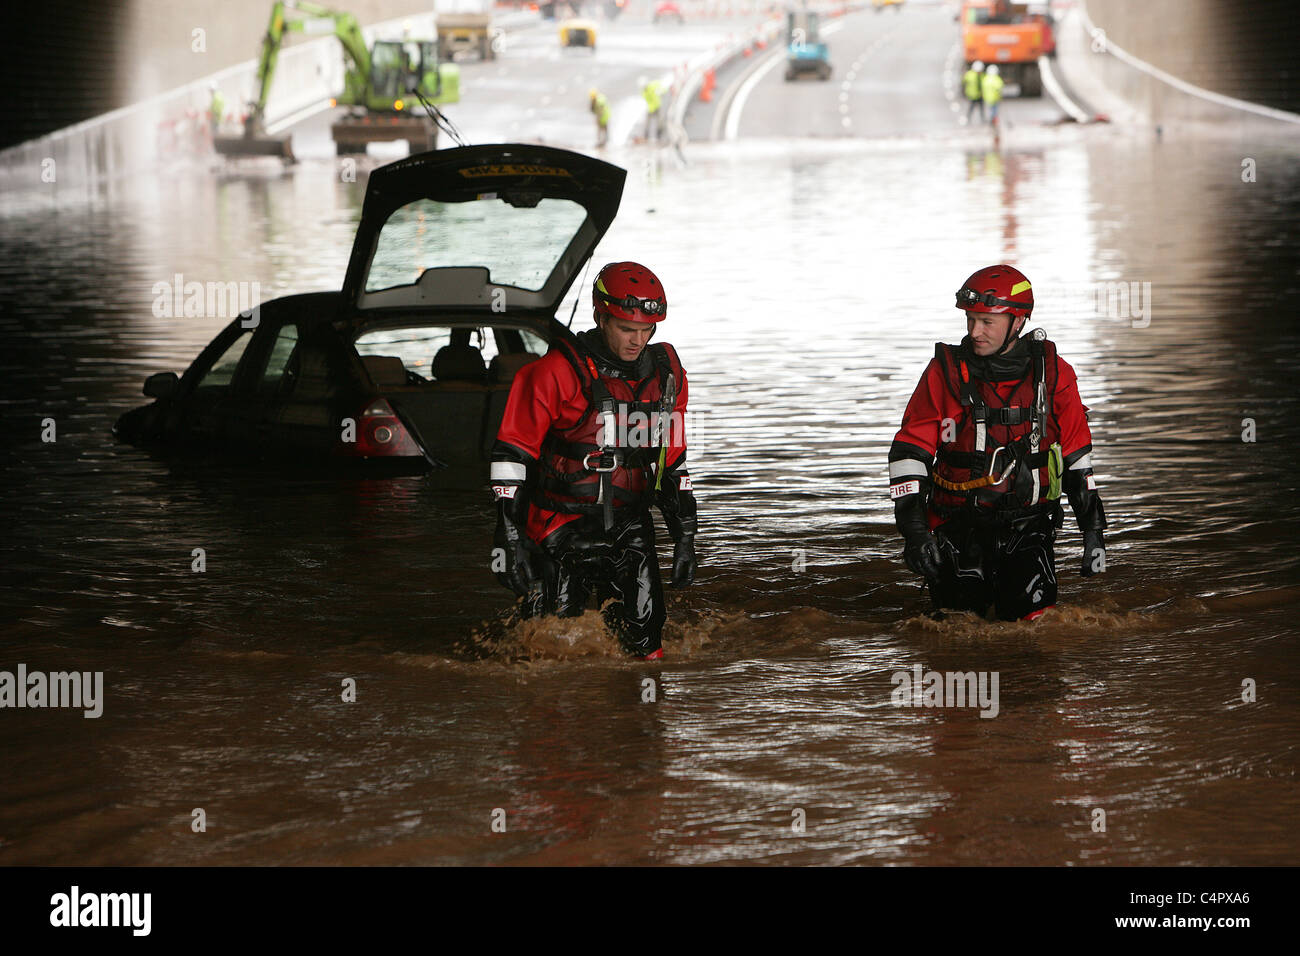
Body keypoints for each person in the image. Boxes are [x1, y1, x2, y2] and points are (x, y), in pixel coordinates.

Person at [490, 261, 698, 659]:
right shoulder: (553, 373)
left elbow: (673, 460)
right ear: (600, 316)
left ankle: (637, 714)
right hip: (556, 524)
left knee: (646, 646)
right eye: (626, 328)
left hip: (628, 521)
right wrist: (509, 541)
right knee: (551, 649)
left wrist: (685, 533)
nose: (638, 340)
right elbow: (510, 459)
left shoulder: (668, 376)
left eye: (647, 329)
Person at [888, 264, 1107, 621]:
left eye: (987, 322)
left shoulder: (1054, 374)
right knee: (958, 630)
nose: (975, 332)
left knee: (1035, 631)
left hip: (1029, 527)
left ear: (1018, 321)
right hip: (956, 529)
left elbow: (1078, 459)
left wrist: (1093, 532)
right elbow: (909, 456)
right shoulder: (944, 374)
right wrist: (913, 533)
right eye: (971, 320)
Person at [641, 77, 662, 143]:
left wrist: (660, 90)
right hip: (651, 108)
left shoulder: (652, 88)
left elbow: (659, 85)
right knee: (647, 122)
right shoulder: (644, 92)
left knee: (659, 122)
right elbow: (649, 101)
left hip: (657, 107)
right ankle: (646, 135)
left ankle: (658, 135)